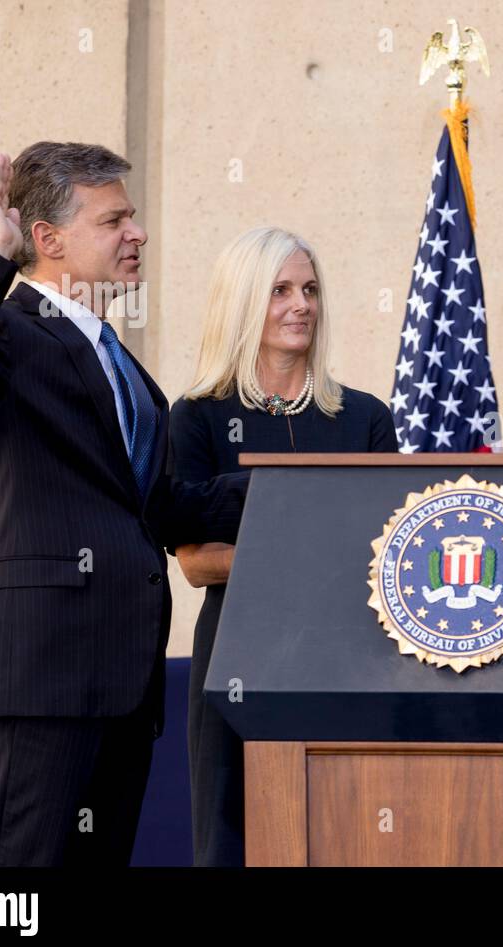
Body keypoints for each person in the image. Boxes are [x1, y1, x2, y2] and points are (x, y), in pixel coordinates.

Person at [0, 143, 248, 866]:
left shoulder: (124, 368)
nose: (136, 233)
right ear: (47, 240)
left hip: (120, 689)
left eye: (134, 217)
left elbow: (158, 508)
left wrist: (308, 486)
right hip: (37, 681)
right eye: (114, 219)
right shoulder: (3, 332)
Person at [171, 226, 397, 866]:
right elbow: (193, 564)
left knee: (349, 835)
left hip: (355, 652)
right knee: (233, 841)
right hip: (240, 654)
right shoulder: (197, 416)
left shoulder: (365, 417)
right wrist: (305, 562)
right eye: (280, 290)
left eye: (310, 289)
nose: (301, 305)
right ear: (243, 302)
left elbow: (391, 545)